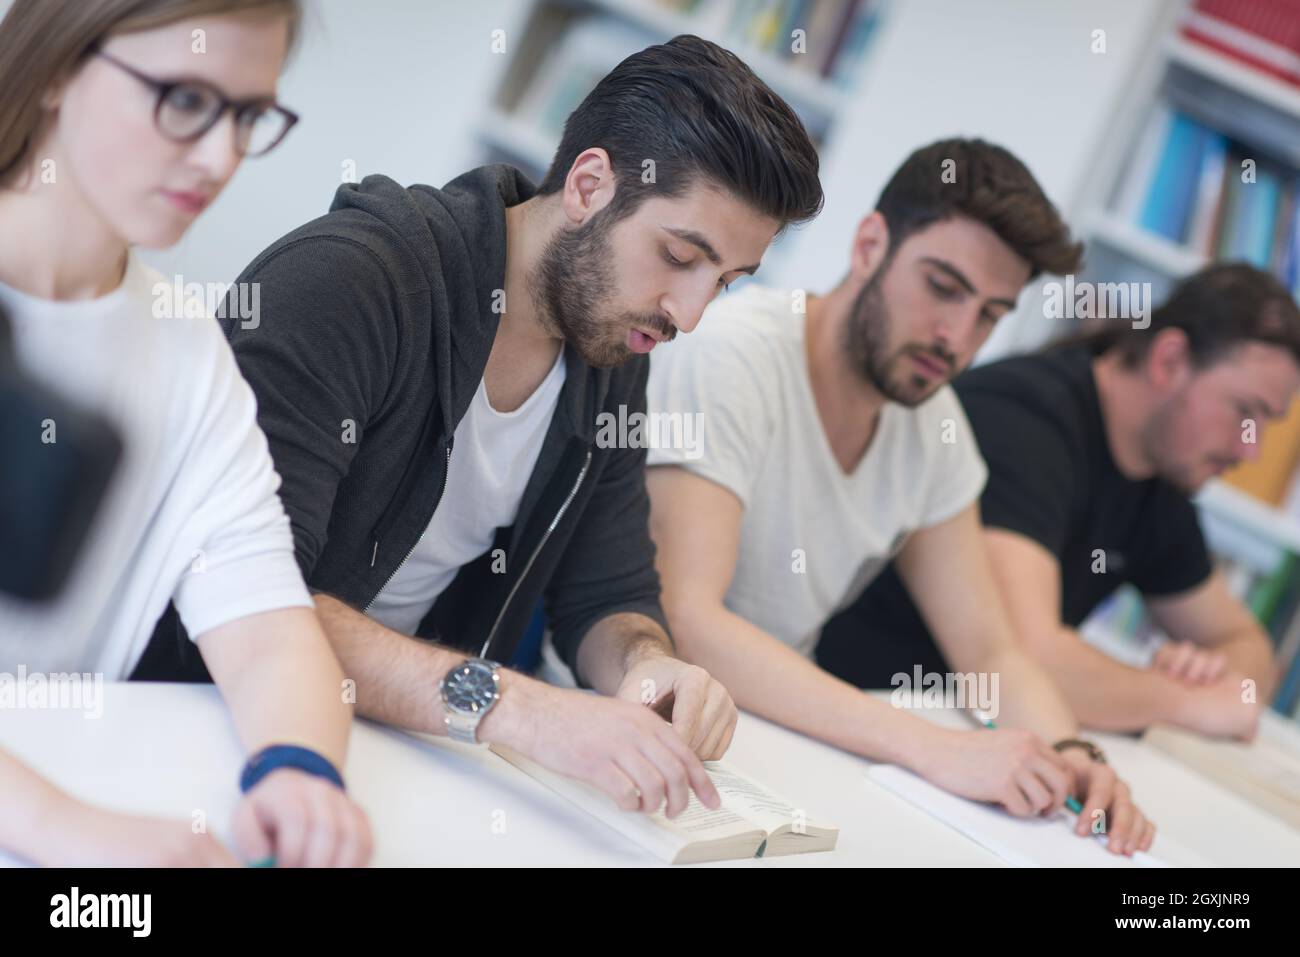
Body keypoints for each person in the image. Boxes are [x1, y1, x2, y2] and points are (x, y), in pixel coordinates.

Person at [143, 34, 825, 818]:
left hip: (403, 746)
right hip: (208, 728)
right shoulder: (350, 282)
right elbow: (250, 592)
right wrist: (519, 708)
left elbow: (608, 592)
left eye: (728, 282)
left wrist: (648, 665)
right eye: (679, 254)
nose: (691, 313)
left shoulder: (613, 344)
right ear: (589, 185)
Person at [644, 139, 1154, 854]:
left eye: (990, 314)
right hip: (642, 740)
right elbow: (688, 620)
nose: (957, 338)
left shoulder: (935, 423)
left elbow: (990, 649)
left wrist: (1071, 751)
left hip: (769, 756)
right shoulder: (734, 353)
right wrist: (936, 747)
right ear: (870, 244)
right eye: (943, 287)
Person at [0, 0, 371, 867]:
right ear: (58, 67)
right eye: (186, 100)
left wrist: (299, 769)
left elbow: (266, 620)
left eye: (247, 116)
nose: (219, 158)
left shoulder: (184, 344)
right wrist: (70, 831)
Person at [820, 263, 1297, 743]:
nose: (1251, 449)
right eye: (1245, 412)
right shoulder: (1023, 420)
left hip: (962, 743)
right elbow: (1029, 660)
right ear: (1169, 360)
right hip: (850, 724)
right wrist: (1191, 700)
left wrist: (1215, 679)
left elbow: (1248, 649)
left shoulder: (1160, 476)